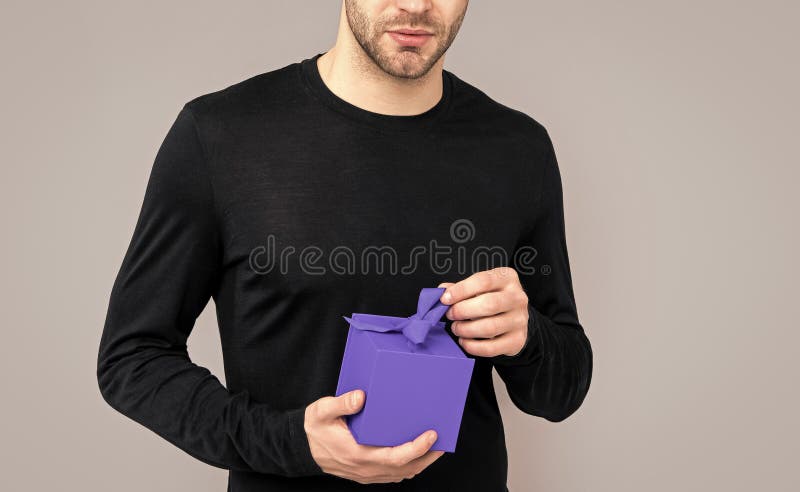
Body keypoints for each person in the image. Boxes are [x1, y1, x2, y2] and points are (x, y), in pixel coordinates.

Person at [97, 1, 593, 490]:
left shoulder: (519, 149)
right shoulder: (219, 134)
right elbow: (132, 358)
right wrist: (292, 443)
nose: (417, 5)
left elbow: (561, 390)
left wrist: (527, 338)